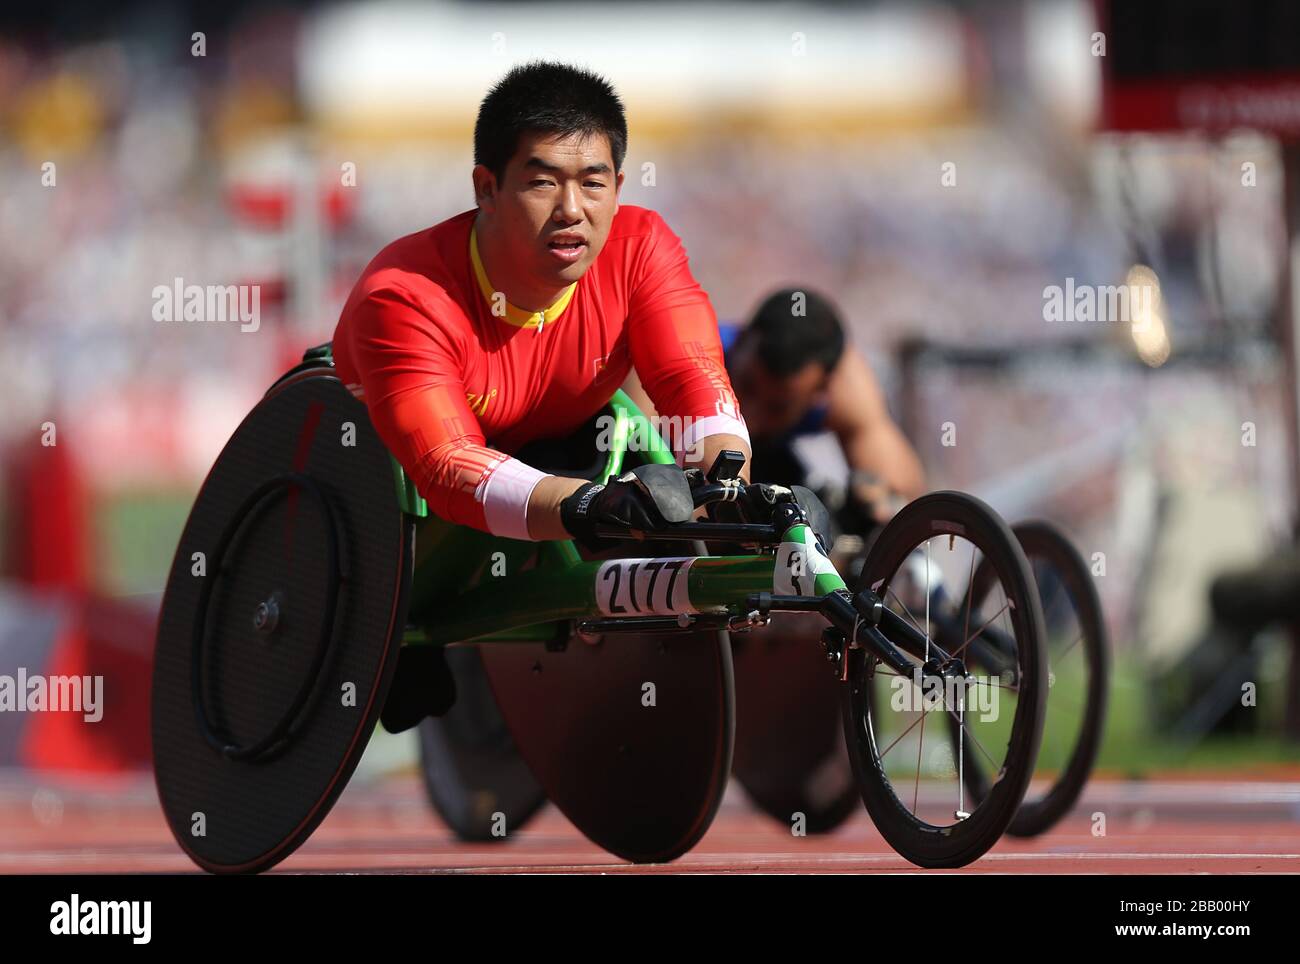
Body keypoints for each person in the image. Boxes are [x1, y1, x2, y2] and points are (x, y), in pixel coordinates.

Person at [331, 61, 750, 727]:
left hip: (555, 454)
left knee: (631, 439)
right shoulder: (405, 296)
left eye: (593, 183)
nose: (573, 211)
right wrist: (589, 506)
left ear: (618, 186)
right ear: (487, 188)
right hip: (390, 496)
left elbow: (691, 378)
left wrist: (728, 477)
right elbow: (445, 466)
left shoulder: (643, 247)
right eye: (542, 183)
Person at [624, 287, 925, 532]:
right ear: (740, 342)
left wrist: (867, 506)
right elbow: (641, 464)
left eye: (777, 407)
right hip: (684, 456)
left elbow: (907, 506)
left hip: (773, 461)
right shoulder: (681, 356)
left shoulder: (848, 390)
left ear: (821, 393)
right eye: (747, 388)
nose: (751, 417)